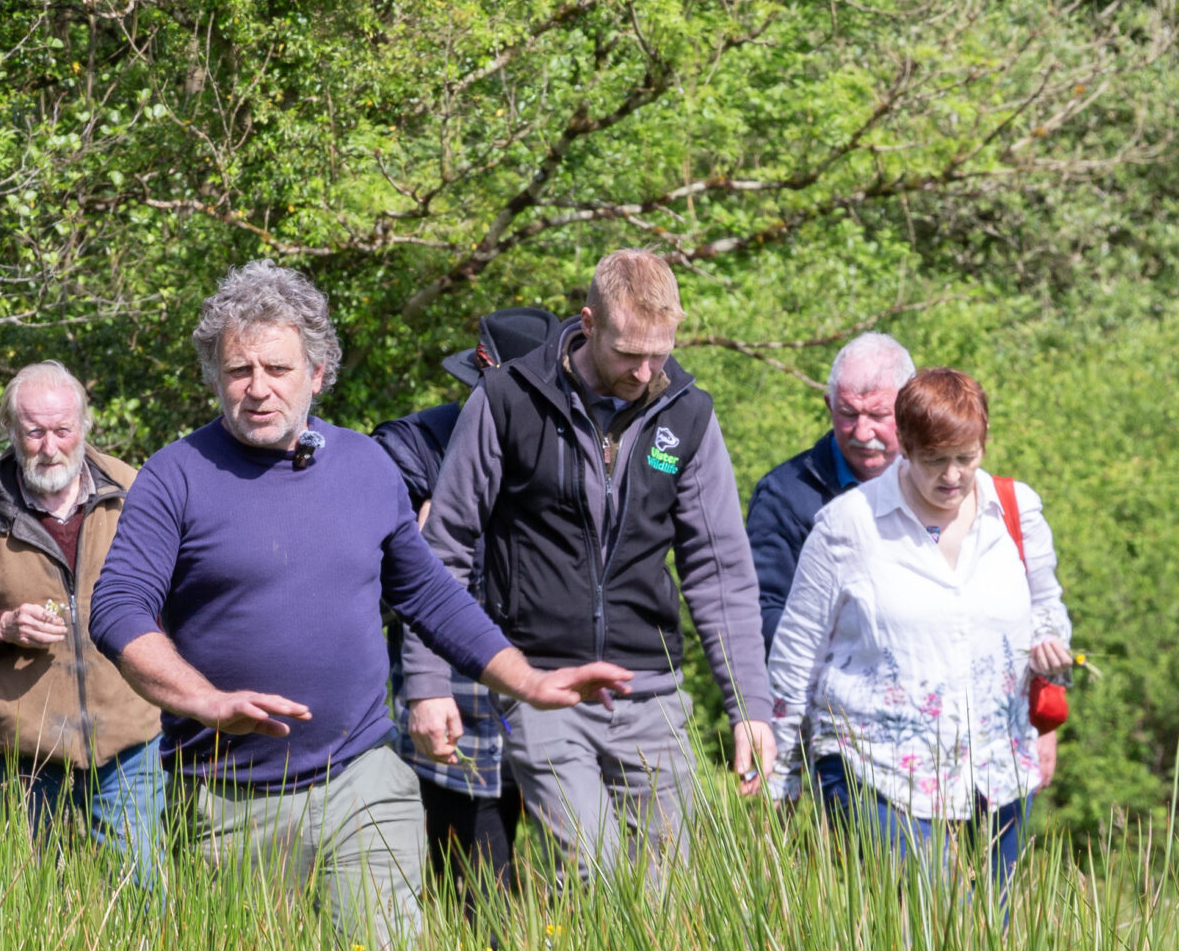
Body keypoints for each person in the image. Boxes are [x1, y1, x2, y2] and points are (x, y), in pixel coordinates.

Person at [92, 262, 630, 940]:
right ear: (213, 378)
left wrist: (524, 677)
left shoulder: (365, 467)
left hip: (363, 779)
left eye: (278, 369)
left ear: (317, 374)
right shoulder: (176, 475)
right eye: (238, 371)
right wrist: (204, 701)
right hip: (228, 796)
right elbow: (117, 608)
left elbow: (430, 593)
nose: (257, 388)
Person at [404, 249, 773, 882]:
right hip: (541, 683)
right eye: (629, 353)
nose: (645, 370)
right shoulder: (508, 399)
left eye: (660, 351)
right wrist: (427, 683)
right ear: (588, 323)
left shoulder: (686, 414)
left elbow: (719, 571)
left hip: (650, 693)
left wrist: (750, 709)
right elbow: (443, 549)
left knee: (671, 890)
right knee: (592, 869)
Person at [767, 368, 1070, 895]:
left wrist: (1051, 651)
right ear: (904, 446)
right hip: (876, 764)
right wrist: (783, 776)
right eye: (935, 460)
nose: (952, 476)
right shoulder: (848, 527)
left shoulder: (1017, 511)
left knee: (988, 944)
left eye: (966, 458)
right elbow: (797, 654)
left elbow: (1046, 607)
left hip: (995, 766)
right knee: (920, 927)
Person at [0, 362, 163, 888]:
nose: (50, 446)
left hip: (127, 739)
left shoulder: (132, 489)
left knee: (142, 894)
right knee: (21, 901)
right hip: (20, 746)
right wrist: (1, 626)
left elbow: (169, 601)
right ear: (12, 431)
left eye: (62, 430)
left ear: (84, 427)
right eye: (34, 432)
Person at [371, 306, 560, 913]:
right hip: (455, 687)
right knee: (477, 894)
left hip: (553, 677)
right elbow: (390, 581)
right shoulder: (412, 446)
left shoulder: (570, 447)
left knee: (586, 880)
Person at [748, 331, 915, 650]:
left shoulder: (941, 484)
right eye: (849, 415)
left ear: (911, 408)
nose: (863, 433)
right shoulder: (784, 495)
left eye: (879, 416)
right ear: (830, 405)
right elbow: (762, 612)